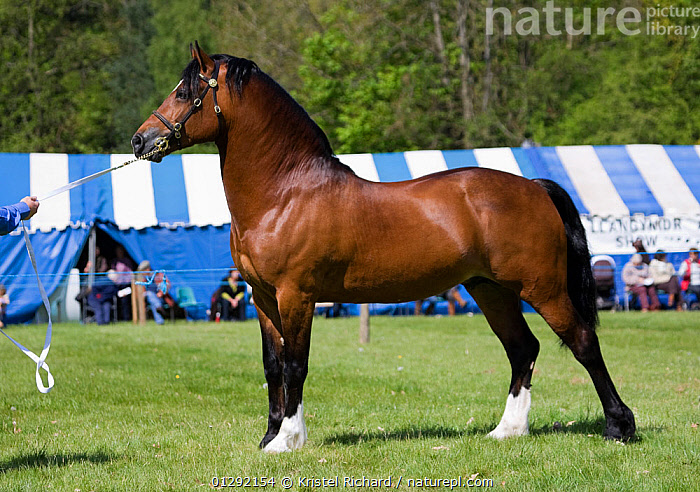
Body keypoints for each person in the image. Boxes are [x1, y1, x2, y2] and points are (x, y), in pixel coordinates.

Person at [110, 245, 136, 321]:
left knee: (125, 302)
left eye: (120, 251)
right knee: (117, 301)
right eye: (117, 251)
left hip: (125, 284)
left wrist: (127, 280)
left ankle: (126, 318)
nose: (119, 253)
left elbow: (130, 273)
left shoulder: (127, 261)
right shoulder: (114, 262)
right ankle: (117, 318)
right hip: (117, 285)